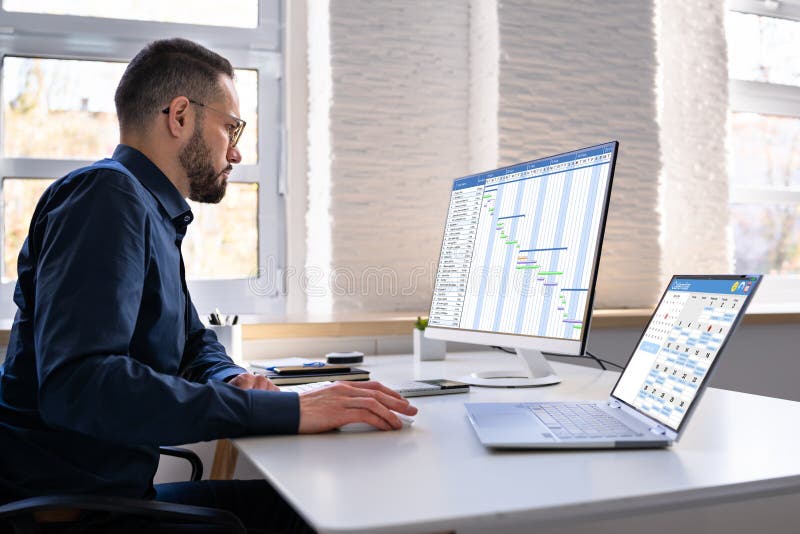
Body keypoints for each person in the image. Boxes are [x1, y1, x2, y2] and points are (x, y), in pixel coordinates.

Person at [0, 38, 417, 533]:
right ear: (179, 116)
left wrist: (231, 379)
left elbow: (193, 341)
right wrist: (282, 409)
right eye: (231, 127)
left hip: (104, 498)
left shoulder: (147, 209)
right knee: (328, 510)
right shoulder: (107, 197)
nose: (236, 151)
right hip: (71, 516)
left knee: (316, 499)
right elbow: (81, 386)